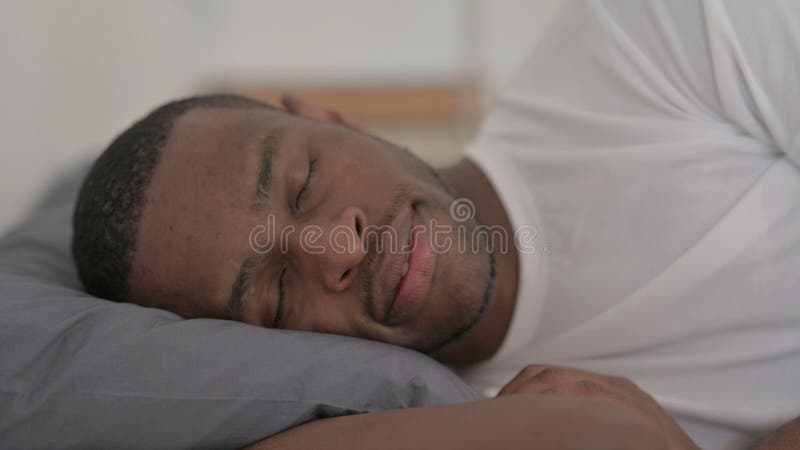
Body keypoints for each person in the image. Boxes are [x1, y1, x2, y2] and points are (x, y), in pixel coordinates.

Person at [71, 1, 800, 449]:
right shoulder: (475, 426)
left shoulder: (655, 38)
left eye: (304, 185)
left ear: (327, 118)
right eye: (277, 293)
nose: (340, 247)